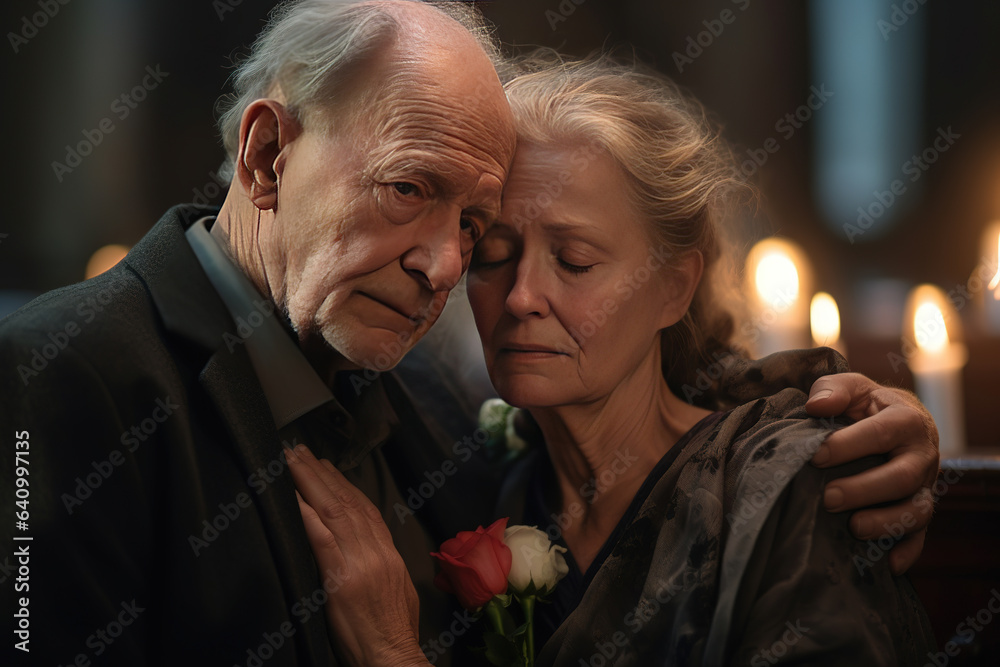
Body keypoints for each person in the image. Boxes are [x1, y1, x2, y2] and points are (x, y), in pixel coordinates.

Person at [0, 2, 933, 664]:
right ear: (267, 154)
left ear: (674, 284)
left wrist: (851, 433)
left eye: (469, 227)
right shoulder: (60, 377)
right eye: (410, 190)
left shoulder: (441, 415)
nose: (448, 269)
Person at [290, 52, 936, 665]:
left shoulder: (789, 485)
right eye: (491, 254)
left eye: (574, 261)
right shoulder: (482, 481)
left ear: (674, 287)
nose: (519, 297)